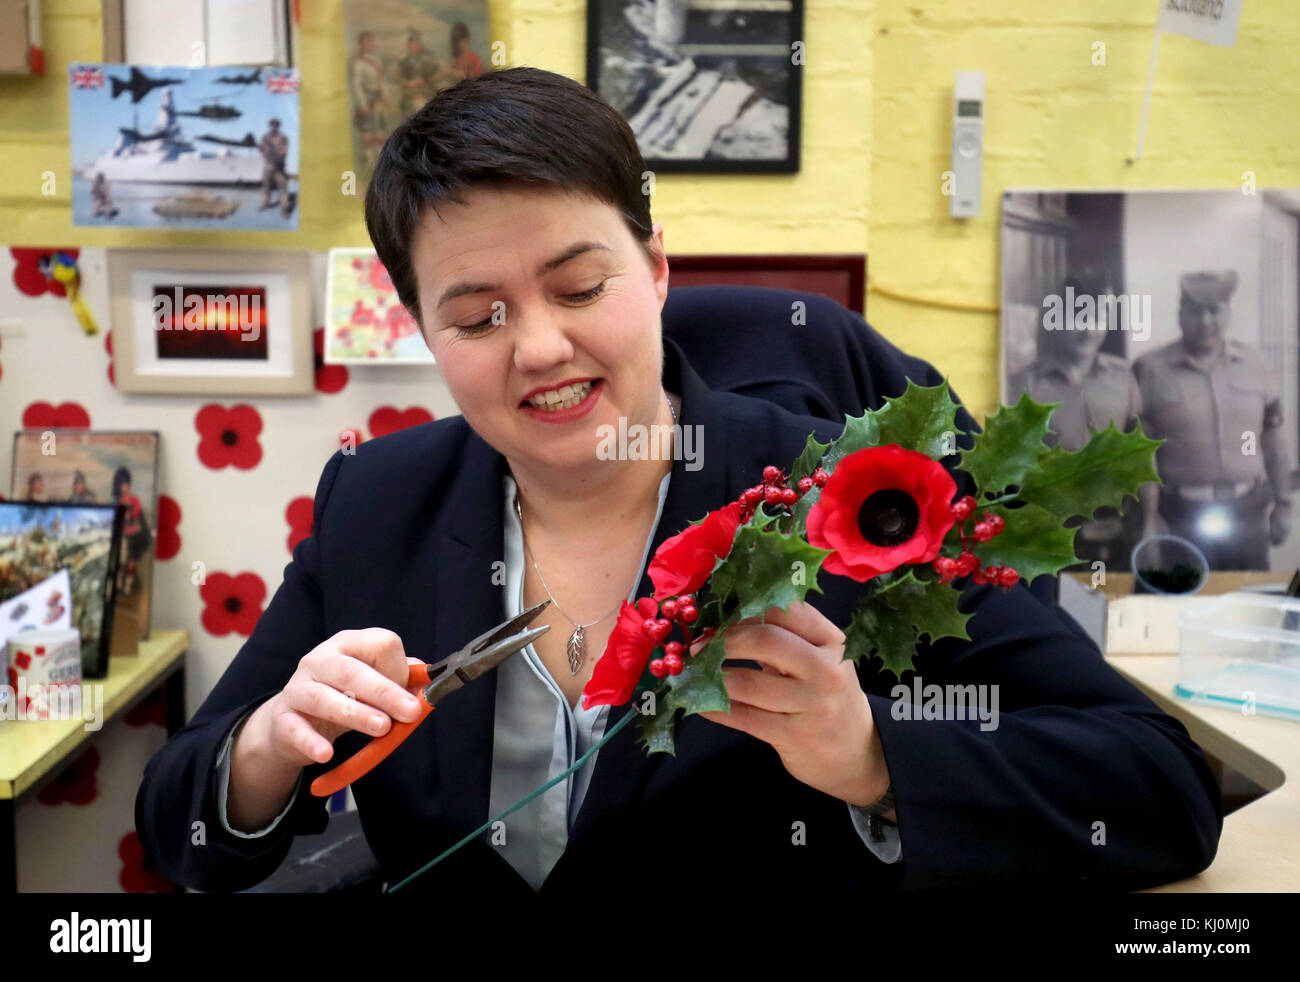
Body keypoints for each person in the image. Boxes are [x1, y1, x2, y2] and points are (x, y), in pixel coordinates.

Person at [136, 67, 1221, 900]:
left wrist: (870, 757)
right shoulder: (378, 499)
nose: (539, 347)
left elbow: (1162, 789)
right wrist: (266, 749)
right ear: (425, 330)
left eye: (579, 287)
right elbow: (180, 828)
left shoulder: (849, 502)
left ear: (656, 269)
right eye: (476, 317)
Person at [1133, 270, 1291, 570]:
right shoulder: (1150, 370)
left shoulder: (1256, 365)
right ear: (1180, 315)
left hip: (1248, 513)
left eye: (1214, 311)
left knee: (1249, 594)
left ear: (1228, 313)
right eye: (1195, 311)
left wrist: (1284, 503)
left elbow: (1274, 441)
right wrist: (1149, 520)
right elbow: (1141, 455)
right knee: (1188, 595)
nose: (1205, 321)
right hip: (1180, 516)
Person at [1006, 265, 1147, 570]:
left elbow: (1143, 457)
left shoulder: (1123, 378)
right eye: (1078, 317)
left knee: (1115, 597)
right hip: (1051, 535)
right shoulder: (1024, 386)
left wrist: (1148, 527)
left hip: (1117, 530)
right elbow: (1011, 470)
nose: (1089, 330)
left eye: (1098, 318)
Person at [397, 28, 441, 117]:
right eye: (411, 44)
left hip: (426, 91)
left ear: (419, 44)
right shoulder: (405, 61)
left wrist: (424, 81)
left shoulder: (428, 58)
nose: (413, 46)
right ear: (408, 45)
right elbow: (398, 76)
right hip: (410, 93)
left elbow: (437, 73)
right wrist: (407, 83)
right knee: (407, 111)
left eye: (415, 44)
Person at [257, 118, 292, 218]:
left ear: (279, 126)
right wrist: (260, 147)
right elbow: (262, 148)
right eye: (272, 124)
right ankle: (266, 203)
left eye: (276, 124)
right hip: (268, 164)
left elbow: (285, 150)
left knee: (283, 187)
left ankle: (285, 210)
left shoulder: (283, 137)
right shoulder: (265, 136)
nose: (274, 126)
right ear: (270, 125)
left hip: (279, 166)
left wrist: (280, 155)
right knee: (266, 186)